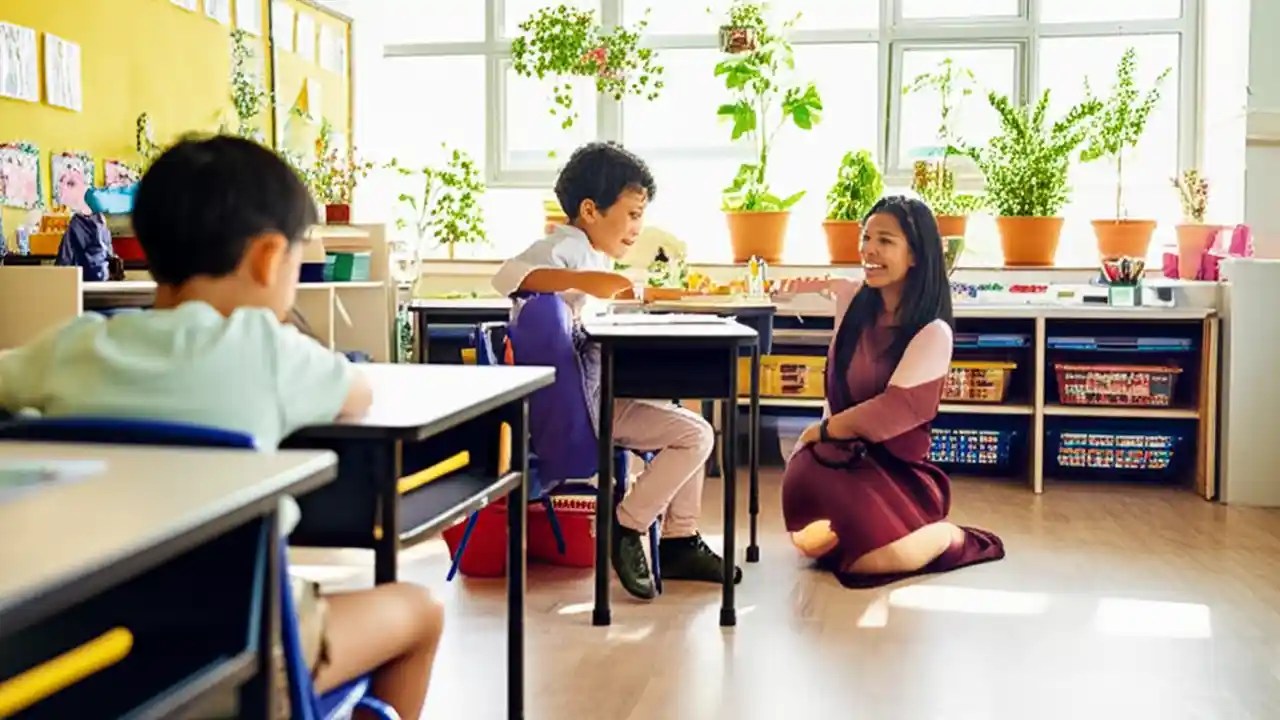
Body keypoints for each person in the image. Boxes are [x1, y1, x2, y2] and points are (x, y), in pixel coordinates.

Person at [0, 135, 442, 719]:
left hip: (82, 656)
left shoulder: (71, 346)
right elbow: (357, 393)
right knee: (421, 609)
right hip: (246, 647)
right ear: (267, 257)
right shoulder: (268, 348)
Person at [492, 140, 741, 600]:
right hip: (587, 407)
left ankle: (680, 537)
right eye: (631, 213)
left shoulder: (591, 254)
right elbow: (507, 277)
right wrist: (585, 283)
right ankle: (630, 525)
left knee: (691, 428)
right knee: (696, 435)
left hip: (602, 392)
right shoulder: (564, 247)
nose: (637, 227)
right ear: (589, 209)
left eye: (640, 215)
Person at [780, 195, 1005, 589]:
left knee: (866, 563)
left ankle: (951, 537)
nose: (869, 249)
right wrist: (814, 448)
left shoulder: (933, 332)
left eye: (885, 240)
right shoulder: (855, 305)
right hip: (841, 459)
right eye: (866, 237)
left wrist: (820, 433)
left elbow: (893, 411)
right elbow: (835, 389)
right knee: (816, 544)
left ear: (916, 255)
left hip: (893, 473)